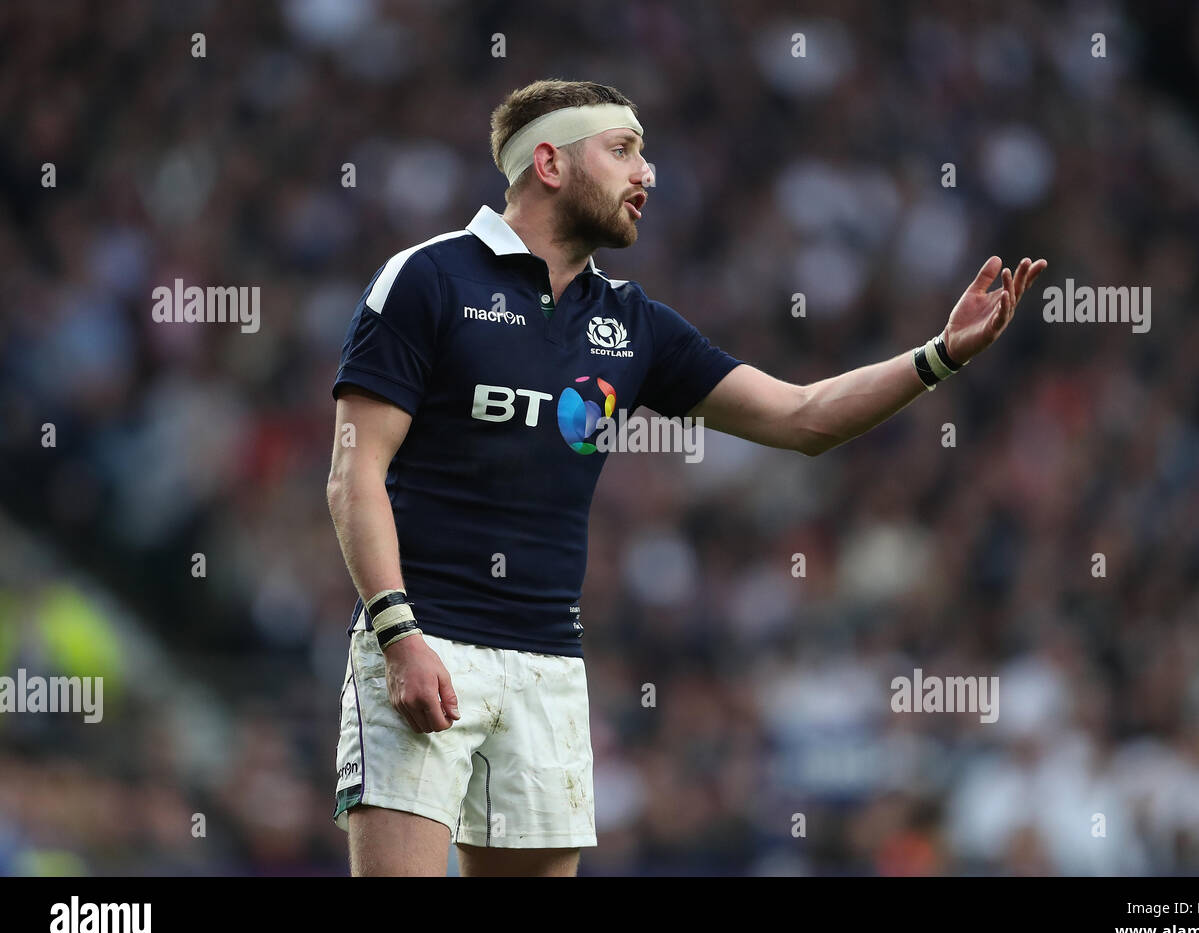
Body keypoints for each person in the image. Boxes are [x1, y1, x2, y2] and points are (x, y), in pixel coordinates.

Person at [326, 78, 1046, 877]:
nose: (648, 173)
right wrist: (398, 634)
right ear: (549, 164)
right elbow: (355, 474)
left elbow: (802, 416)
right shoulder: (427, 279)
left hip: (548, 665)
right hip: (423, 638)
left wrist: (938, 356)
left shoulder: (632, 322)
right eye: (623, 151)